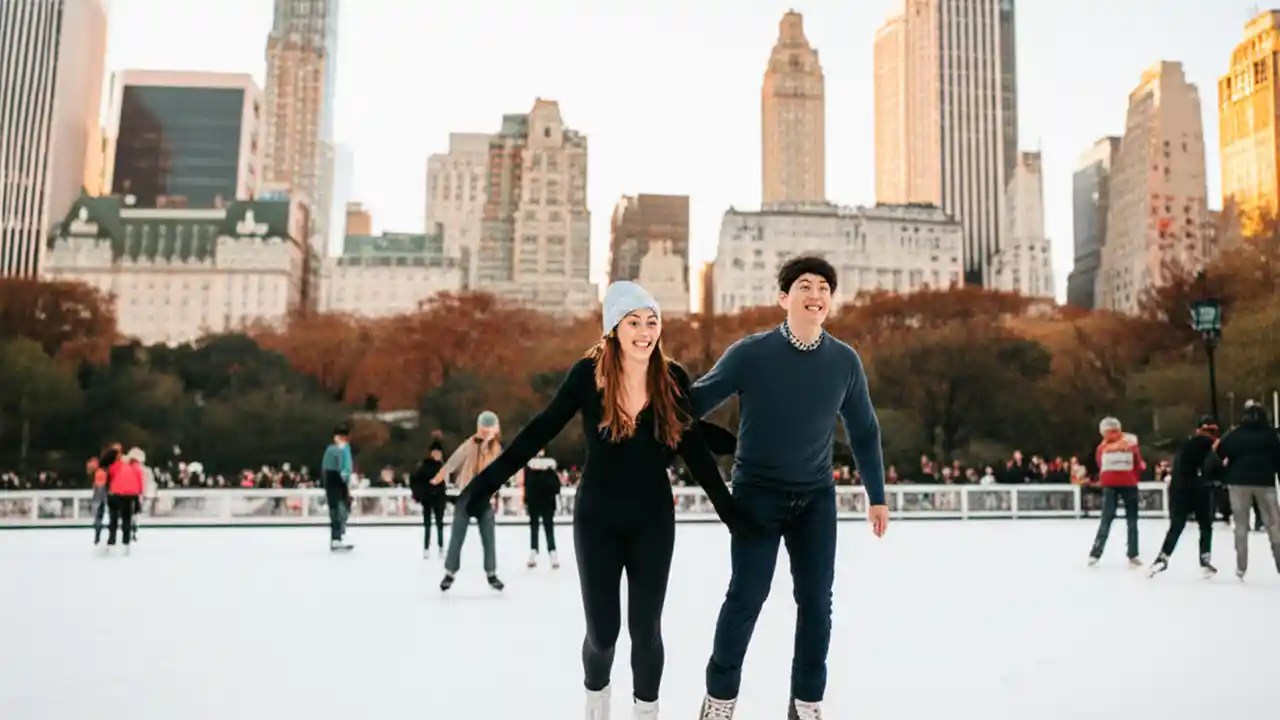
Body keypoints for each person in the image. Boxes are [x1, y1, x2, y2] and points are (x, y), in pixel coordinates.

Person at [465, 280, 757, 720]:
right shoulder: (588, 375)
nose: (645, 331)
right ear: (613, 329)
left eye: (652, 321)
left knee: (645, 630)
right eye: (634, 322)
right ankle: (596, 700)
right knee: (603, 634)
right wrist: (486, 484)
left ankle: (646, 713)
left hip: (652, 518)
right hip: (597, 516)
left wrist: (733, 516)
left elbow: (694, 449)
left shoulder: (671, 377)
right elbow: (541, 429)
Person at [690, 256, 887, 720]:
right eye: (804, 286)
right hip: (757, 494)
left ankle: (807, 703)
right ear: (784, 297)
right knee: (747, 596)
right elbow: (695, 401)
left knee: (817, 602)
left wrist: (876, 494)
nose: (815, 294)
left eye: (823, 287)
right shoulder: (751, 354)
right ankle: (719, 699)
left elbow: (863, 431)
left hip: (815, 498)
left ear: (830, 302)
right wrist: (644, 389)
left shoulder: (844, 361)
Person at [432, 411, 510, 592]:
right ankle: (450, 572)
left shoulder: (496, 448)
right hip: (467, 494)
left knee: (489, 536)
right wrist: (440, 475)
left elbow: (497, 467)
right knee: (457, 535)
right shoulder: (471, 443)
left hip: (484, 496)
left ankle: (491, 573)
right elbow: (456, 459)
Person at [1215, 400, 1280, 580]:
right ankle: (1279, 561)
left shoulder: (1235, 433)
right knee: (1274, 525)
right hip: (1265, 482)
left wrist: (1227, 471)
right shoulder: (1270, 435)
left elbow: (1219, 451)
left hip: (1238, 482)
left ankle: (1241, 565)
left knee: (1241, 524)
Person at [1149, 415, 1219, 578]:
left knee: (1177, 525)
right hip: (1199, 488)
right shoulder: (1210, 446)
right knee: (1205, 525)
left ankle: (1164, 556)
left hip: (1179, 488)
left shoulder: (1186, 445)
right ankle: (1204, 557)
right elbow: (1213, 467)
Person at [1087, 417, 1145, 567]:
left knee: (1106, 519)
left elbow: (1100, 463)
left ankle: (1095, 554)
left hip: (1109, 484)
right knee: (1132, 520)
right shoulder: (1131, 443)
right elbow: (1139, 464)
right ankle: (1133, 554)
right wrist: (1133, 477)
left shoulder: (1102, 447)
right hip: (1129, 483)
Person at [522, 448, 562, 569]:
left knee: (546, 528)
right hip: (539, 502)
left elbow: (556, 487)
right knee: (538, 529)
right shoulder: (532, 469)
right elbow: (528, 486)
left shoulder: (546, 470)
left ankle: (550, 553)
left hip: (545, 503)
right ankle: (537, 552)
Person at [409, 435, 448, 559]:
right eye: (435, 453)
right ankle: (426, 548)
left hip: (439, 498)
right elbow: (416, 480)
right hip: (428, 498)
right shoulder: (425, 466)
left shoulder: (443, 466)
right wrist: (421, 493)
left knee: (440, 524)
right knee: (427, 525)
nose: (437, 455)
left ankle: (441, 547)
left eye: (439, 453)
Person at [104, 446, 144, 554]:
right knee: (127, 519)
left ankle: (111, 542)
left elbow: (110, 475)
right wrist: (139, 494)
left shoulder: (117, 465)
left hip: (115, 493)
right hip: (130, 494)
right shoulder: (136, 467)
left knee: (113, 519)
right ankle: (126, 544)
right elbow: (140, 483)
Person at [321, 425, 355, 551]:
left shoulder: (345, 449)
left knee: (343, 510)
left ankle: (340, 535)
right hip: (334, 482)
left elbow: (346, 467)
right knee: (337, 511)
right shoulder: (333, 450)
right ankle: (336, 538)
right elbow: (332, 469)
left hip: (340, 483)